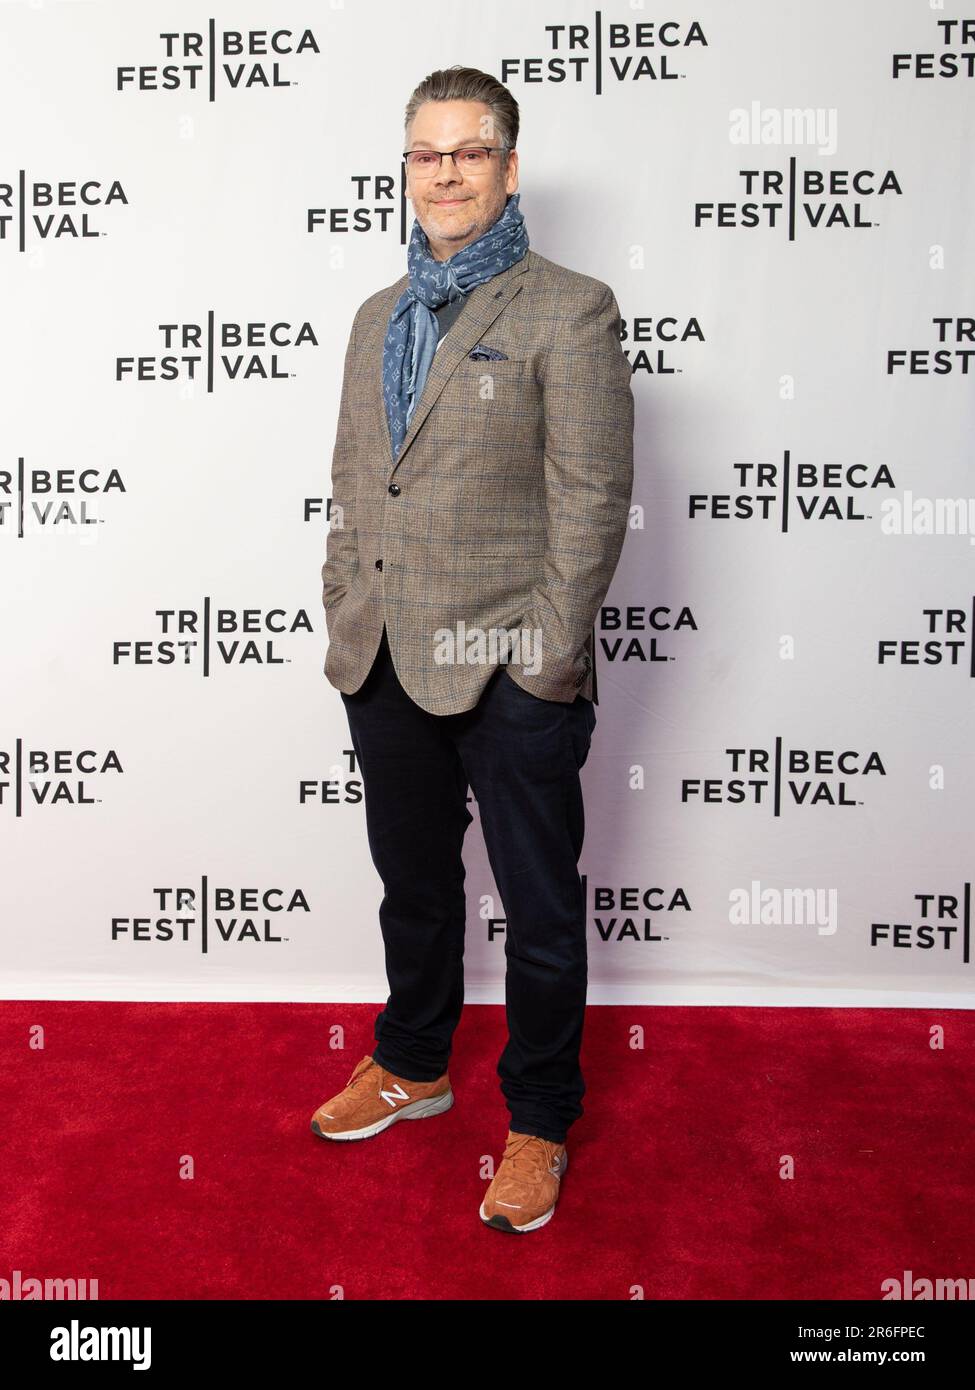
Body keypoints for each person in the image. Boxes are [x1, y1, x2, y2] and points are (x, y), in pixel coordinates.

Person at [311, 64, 634, 1233]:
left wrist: (543, 661)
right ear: (407, 168)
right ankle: (414, 1064)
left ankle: (540, 1121)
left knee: (541, 911)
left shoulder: (570, 306)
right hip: (385, 656)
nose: (444, 171)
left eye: (468, 150)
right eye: (426, 152)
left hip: (511, 667)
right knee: (415, 886)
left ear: (506, 166)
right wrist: (345, 597)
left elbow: (592, 501)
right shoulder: (371, 318)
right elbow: (357, 483)